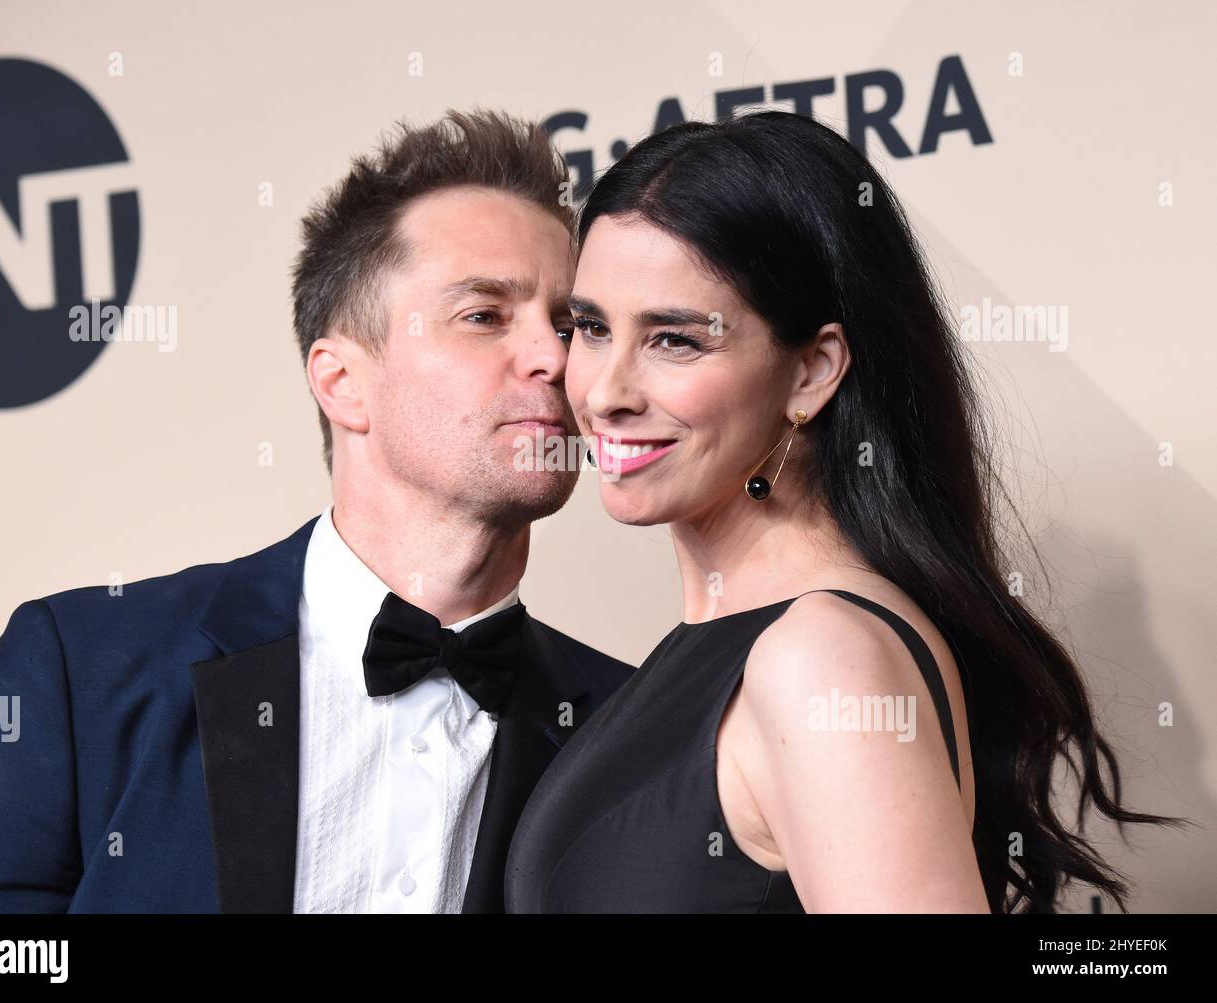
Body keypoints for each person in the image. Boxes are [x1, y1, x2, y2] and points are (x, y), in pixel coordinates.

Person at [0, 108, 634, 913]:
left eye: (571, 324)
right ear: (342, 383)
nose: (554, 357)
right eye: (484, 315)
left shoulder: (635, 733)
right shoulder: (84, 667)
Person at [504, 110, 1186, 914]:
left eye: (675, 340)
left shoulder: (820, 658)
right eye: (591, 327)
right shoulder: (736, 648)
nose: (606, 391)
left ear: (812, 371)